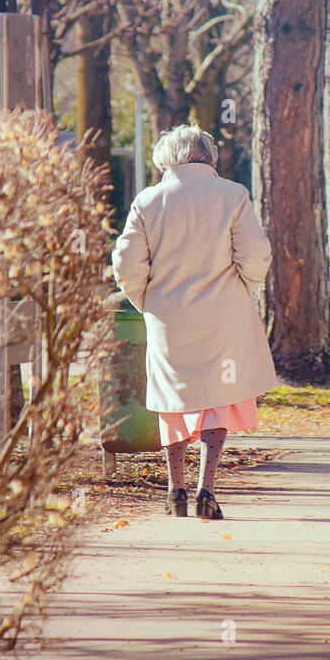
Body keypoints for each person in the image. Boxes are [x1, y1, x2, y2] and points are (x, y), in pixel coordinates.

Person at [112, 124, 279, 520]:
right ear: (209, 155)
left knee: (173, 400)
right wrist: (244, 288)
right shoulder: (233, 195)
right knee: (216, 399)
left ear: (167, 158)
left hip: (167, 316)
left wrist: (145, 299)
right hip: (224, 314)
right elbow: (255, 254)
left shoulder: (148, 201)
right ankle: (208, 489)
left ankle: (175, 492)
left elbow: (126, 263)